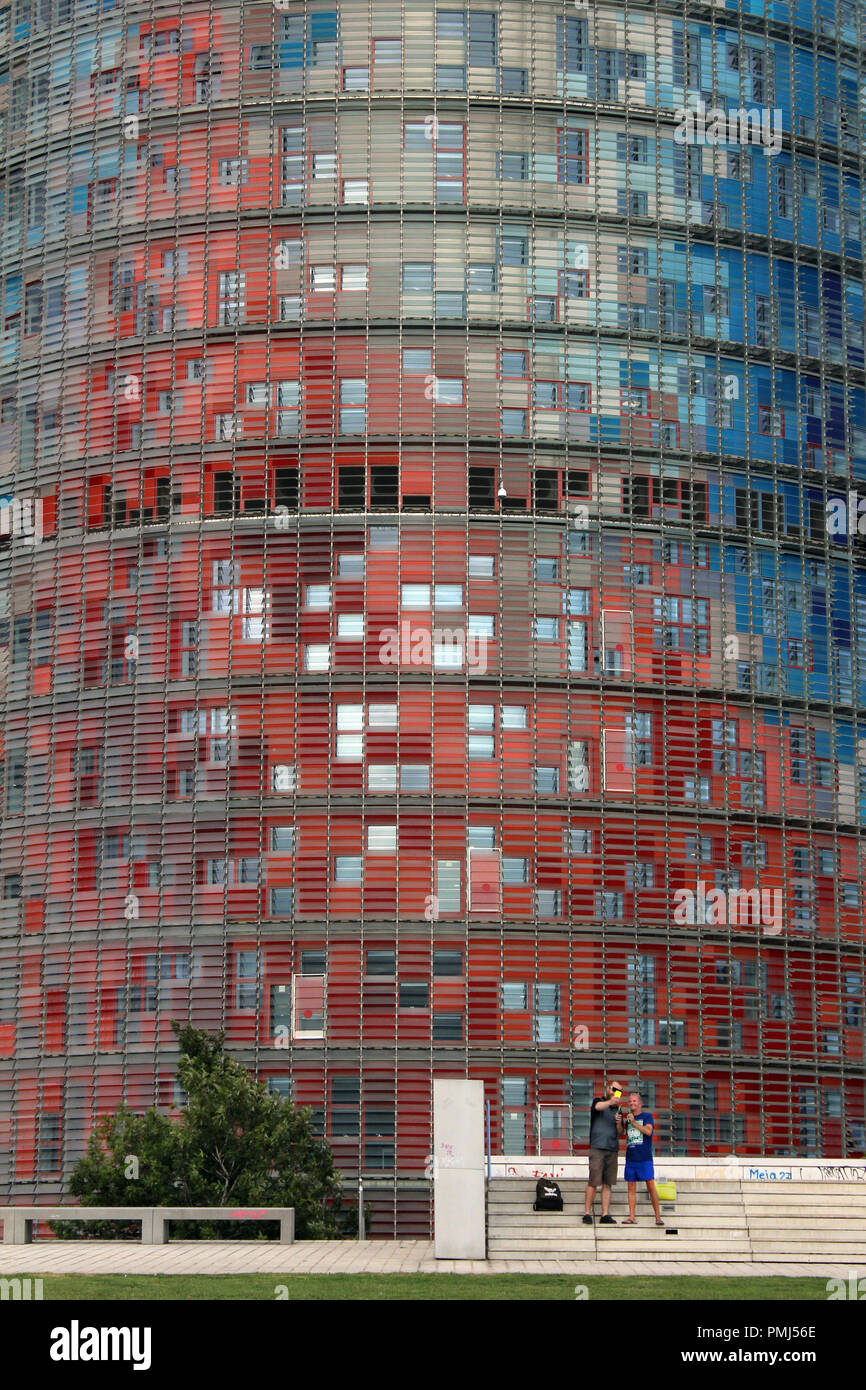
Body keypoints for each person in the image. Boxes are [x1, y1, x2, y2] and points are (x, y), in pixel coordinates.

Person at [582, 1079, 624, 1225]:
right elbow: (598, 1107)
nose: (615, 1093)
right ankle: (587, 1212)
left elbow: (620, 1132)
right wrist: (611, 1101)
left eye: (618, 1091)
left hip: (612, 1148)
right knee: (593, 1180)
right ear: (608, 1088)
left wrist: (619, 1123)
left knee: (608, 1183)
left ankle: (605, 1214)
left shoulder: (618, 1109)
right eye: (613, 1089)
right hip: (597, 1147)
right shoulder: (598, 1101)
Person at [622, 1091, 664, 1227]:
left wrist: (633, 1122)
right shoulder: (627, 1119)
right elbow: (622, 1134)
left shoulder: (647, 1116)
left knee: (650, 1186)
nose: (631, 1103)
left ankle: (658, 1217)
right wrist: (619, 1123)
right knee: (630, 1186)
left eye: (634, 1101)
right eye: (630, 1101)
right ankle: (632, 1216)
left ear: (640, 1103)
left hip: (644, 1157)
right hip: (631, 1157)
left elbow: (648, 1131)